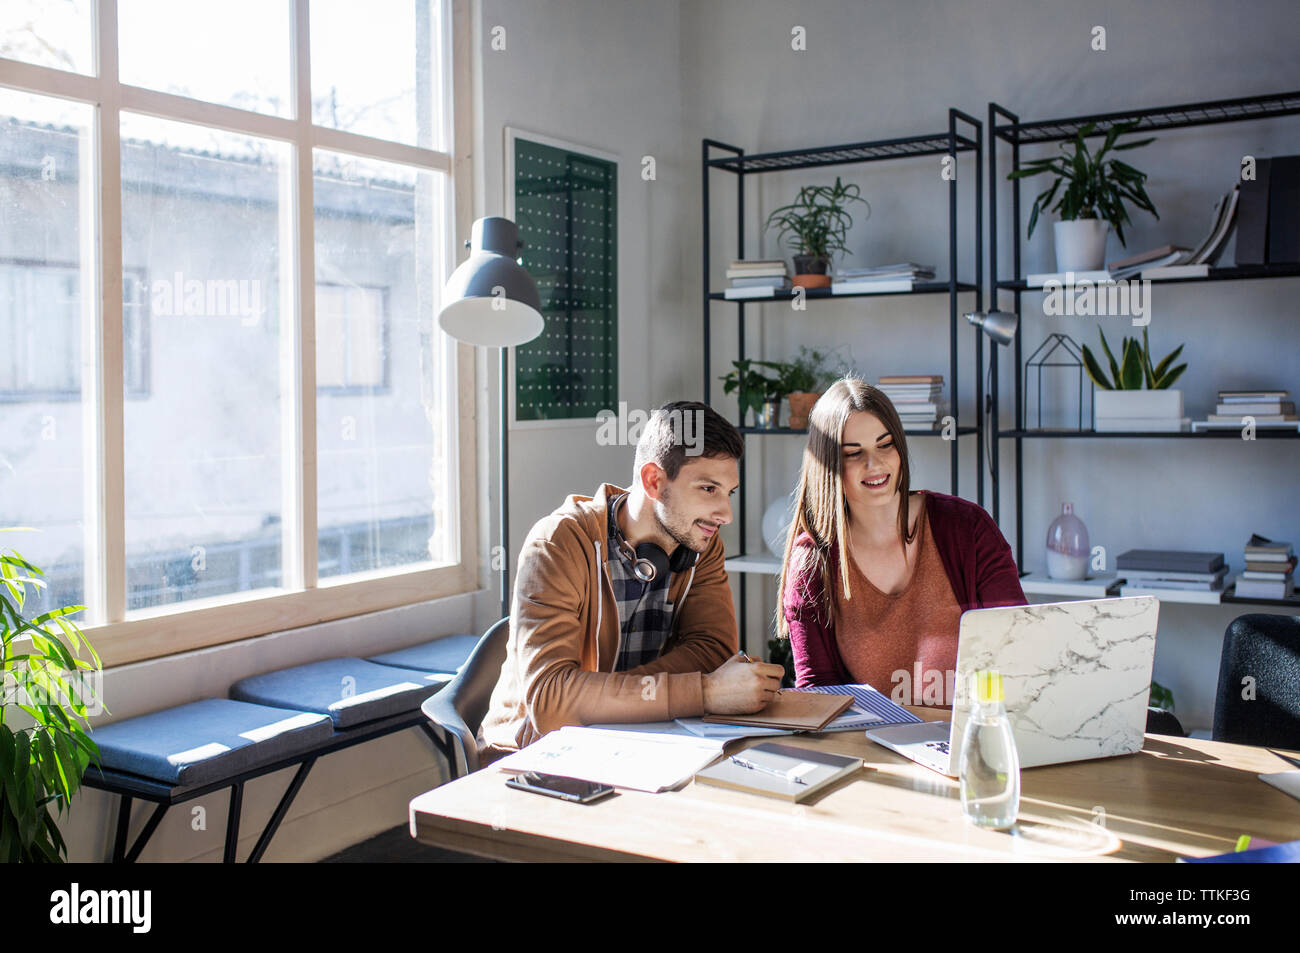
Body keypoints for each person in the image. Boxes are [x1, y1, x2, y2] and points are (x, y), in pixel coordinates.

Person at [480, 400, 784, 762]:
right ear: (654, 481)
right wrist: (701, 692)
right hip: (527, 757)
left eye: (728, 492)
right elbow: (551, 698)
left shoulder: (700, 542)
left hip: (635, 742)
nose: (726, 514)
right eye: (708, 489)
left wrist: (601, 700)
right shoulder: (558, 542)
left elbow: (712, 652)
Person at [775, 378, 1025, 704]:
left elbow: (1017, 649)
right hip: (869, 744)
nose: (874, 464)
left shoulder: (968, 529)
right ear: (828, 467)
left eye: (885, 444)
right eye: (853, 453)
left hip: (970, 736)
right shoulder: (812, 562)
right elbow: (818, 695)